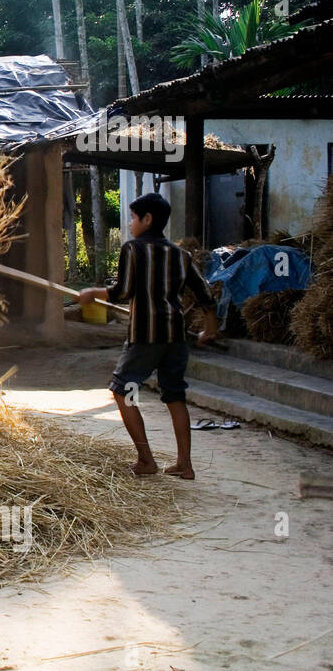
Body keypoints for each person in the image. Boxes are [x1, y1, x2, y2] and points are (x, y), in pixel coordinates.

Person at [78, 192, 220, 481]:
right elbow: (205, 293)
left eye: (132, 218)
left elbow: (123, 292)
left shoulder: (134, 249)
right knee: (175, 396)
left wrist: (93, 294)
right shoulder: (181, 254)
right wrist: (210, 328)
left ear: (147, 219)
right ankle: (185, 464)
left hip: (145, 335)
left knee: (122, 391)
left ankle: (146, 460)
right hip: (176, 337)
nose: (130, 224)